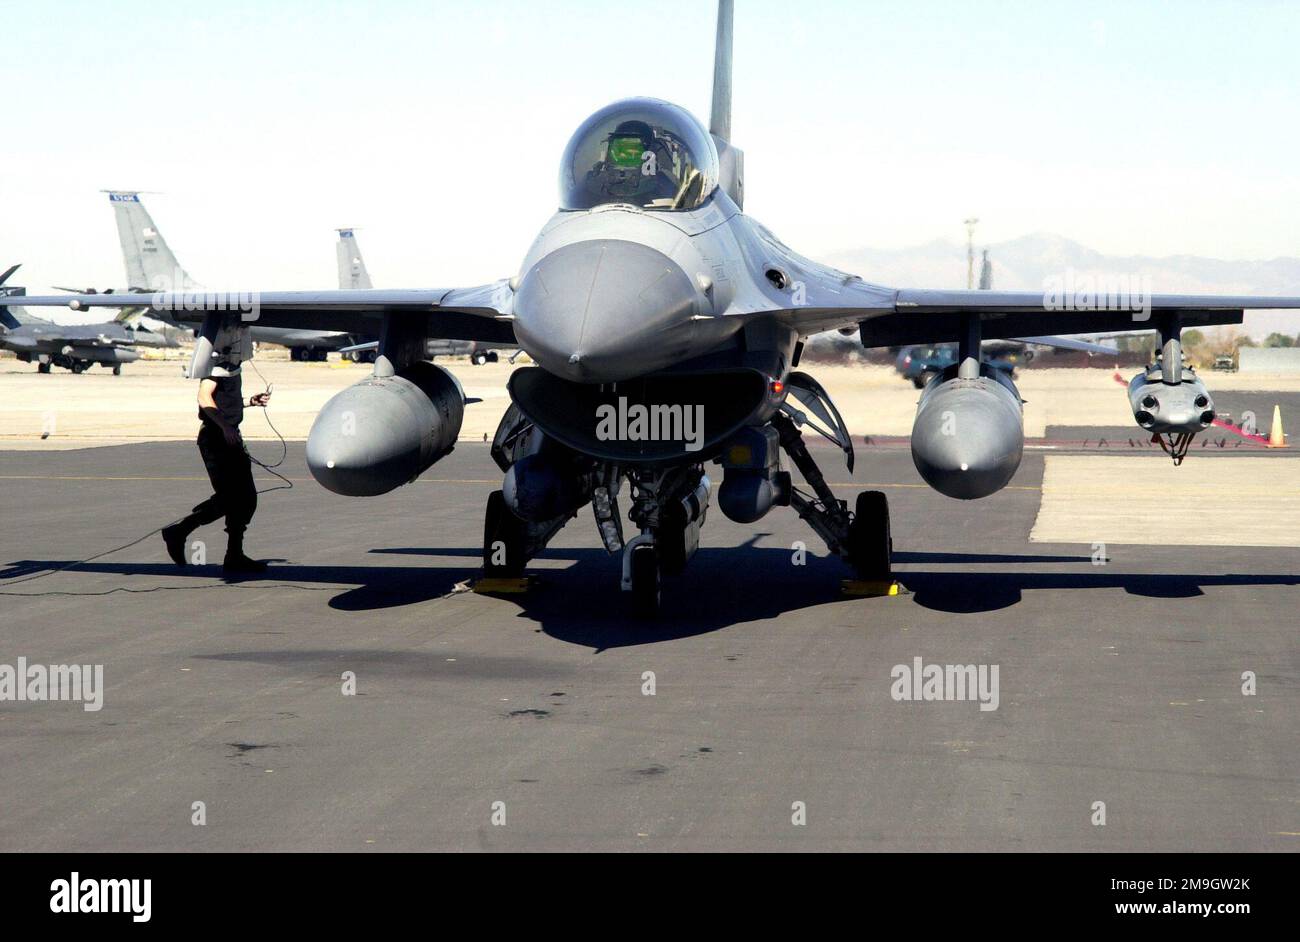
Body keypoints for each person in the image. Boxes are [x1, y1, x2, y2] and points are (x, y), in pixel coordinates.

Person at [161, 330, 271, 574]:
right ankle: (178, 532)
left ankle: (234, 555)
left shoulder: (232, 368)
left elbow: (224, 400)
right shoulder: (215, 368)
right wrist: (224, 427)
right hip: (215, 440)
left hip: (230, 439)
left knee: (246, 498)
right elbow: (204, 398)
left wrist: (249, 402)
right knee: (230, 497)